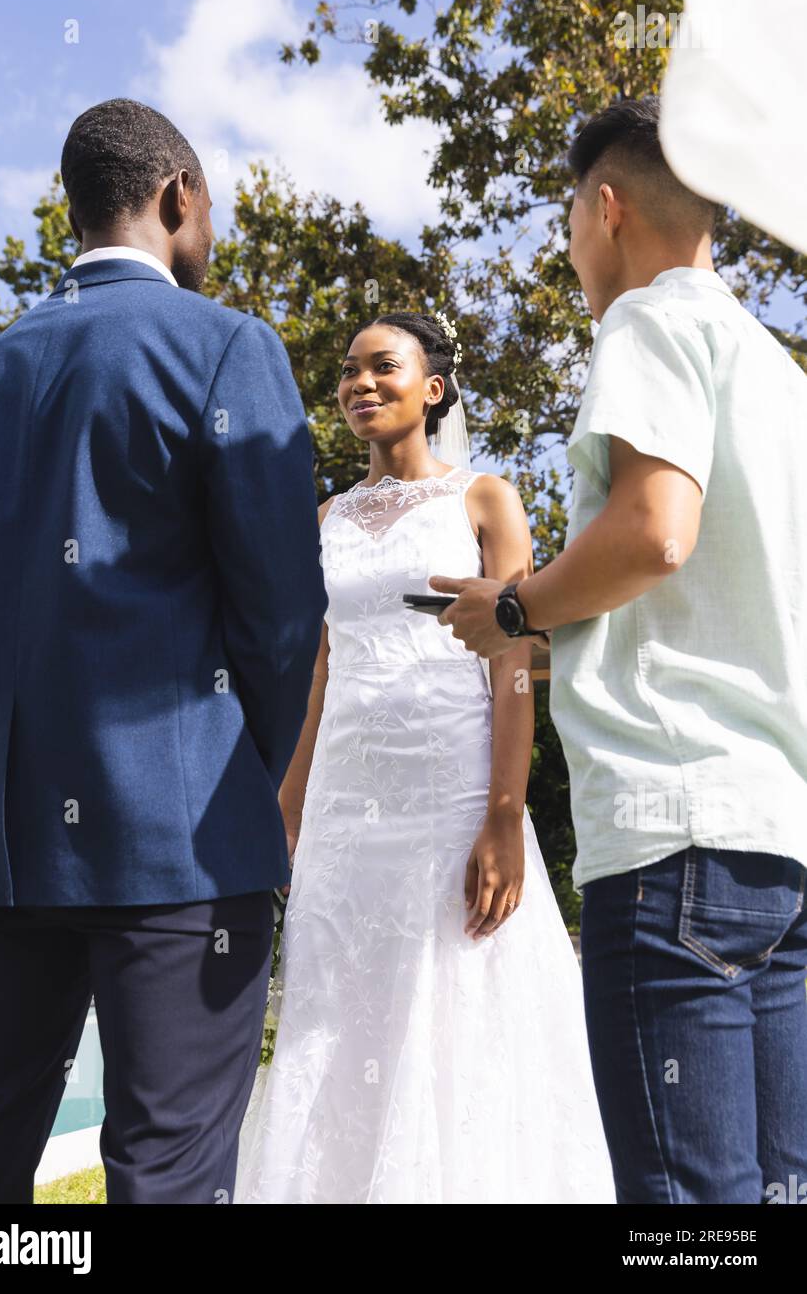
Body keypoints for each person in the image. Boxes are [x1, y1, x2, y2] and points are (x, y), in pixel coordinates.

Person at [0, 98, 327, 1204]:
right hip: (182, 839)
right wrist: (242, 773)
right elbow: (281, 612)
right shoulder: (225, 349)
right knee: (167, 1169)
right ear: (176, 199)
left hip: (14, 848)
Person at [432, 97, 807, 1204]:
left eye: (565, 221)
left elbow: (655, 532)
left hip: (671, 841)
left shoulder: (647, 323)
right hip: (778, 843)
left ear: (606, 209)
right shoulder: (780, 375)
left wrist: (514, 608)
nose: (570, 248)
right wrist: (566, 641)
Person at [234, 311, 615, 1204]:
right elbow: (319, 671)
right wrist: (288, 805)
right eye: (348, 371)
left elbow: (513, 664)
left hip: (452, 800)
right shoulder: (322, 515)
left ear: (432, 388)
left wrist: (502, 816)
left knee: (458, 999)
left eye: (383, 366)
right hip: (344, 806)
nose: (359, 383)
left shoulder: (485, 498)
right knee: (338, 1011)